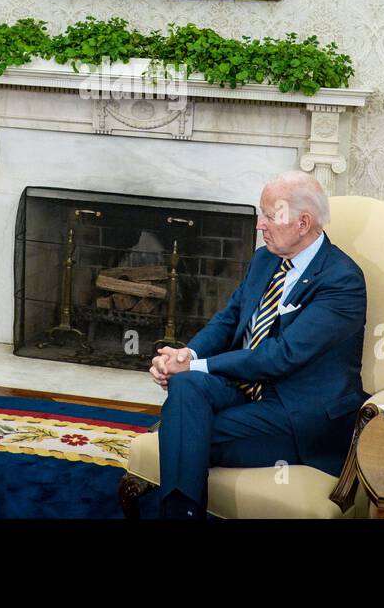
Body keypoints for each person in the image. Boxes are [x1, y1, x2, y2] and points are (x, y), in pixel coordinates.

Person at [148, 170, 367, 518]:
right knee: (187, 387)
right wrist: (186, 354)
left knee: (183, 430)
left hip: (296, 412)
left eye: (269, 215)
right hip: (244, 388)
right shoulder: (266, 259)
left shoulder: (342, 281)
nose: (259, 225)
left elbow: (280, 357)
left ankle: (178, 513)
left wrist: (195, 366)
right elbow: (230, 318)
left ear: (302, 223)